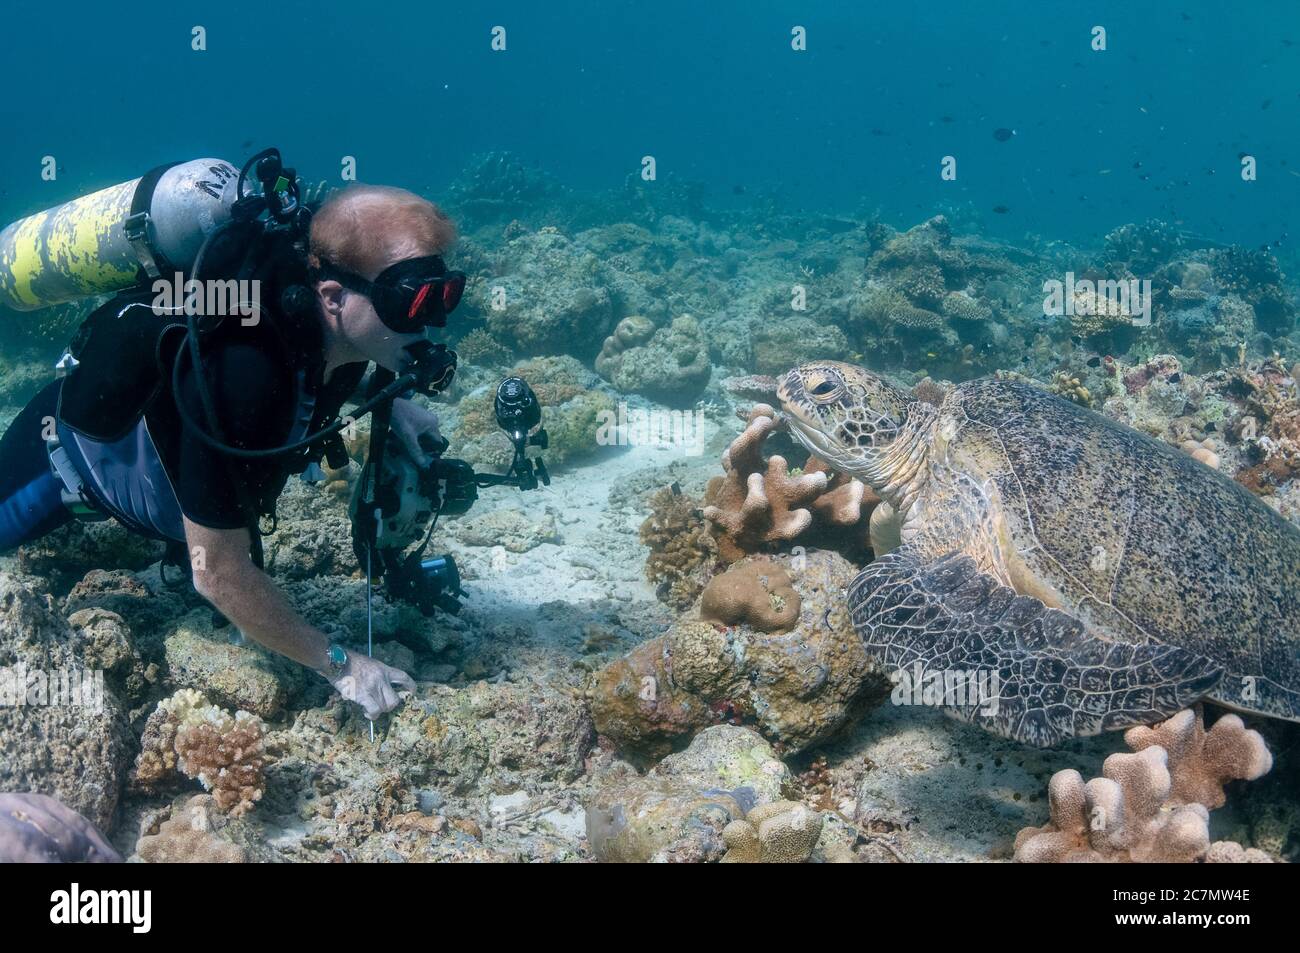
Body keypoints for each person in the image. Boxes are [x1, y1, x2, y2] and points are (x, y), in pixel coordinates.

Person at [0, 184, 466, 720]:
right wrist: (341, 664)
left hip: (179, 480)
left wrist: (396, 404)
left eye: (445, 295)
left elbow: (339, 362)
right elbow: (218, 575)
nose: (433, 323)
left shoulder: (330, 327)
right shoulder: (245, 375)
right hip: (62, 460)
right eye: (410, 300)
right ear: (333, 296)